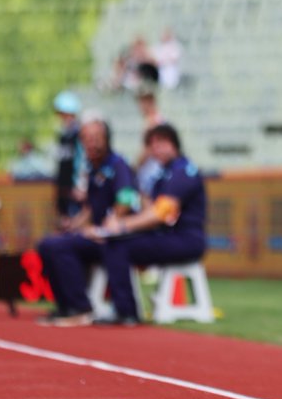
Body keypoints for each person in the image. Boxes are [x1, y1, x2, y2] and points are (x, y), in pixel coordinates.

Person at [88, 124, 206, 326]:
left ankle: (126, 311)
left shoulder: (182, 171)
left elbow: (161, 213)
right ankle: (122, 307)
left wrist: (123, 225)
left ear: (173, 144)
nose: (156, 149)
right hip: (167, 236)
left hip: (186, 240)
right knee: (115, 243)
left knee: (118, 246)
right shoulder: (163, 173)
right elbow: (148, 206)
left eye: (161, 143)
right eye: (151, 145)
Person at [36, 115, 139, 327]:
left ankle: (80, 307)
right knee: (49, 244)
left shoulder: (118, 165)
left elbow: (126, 199)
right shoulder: (93, 170)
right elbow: (91, 208)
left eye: (95, 138)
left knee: (60, 247)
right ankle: (65, 305)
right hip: (97, 235)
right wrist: (73, 225)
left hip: (116, 237)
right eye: (85, 138)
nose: (90, 143)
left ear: (107, 139)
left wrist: (105, 228)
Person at [52, 90, 85, 227]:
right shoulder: (63, 135)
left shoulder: (79, 134)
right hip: (64, 187)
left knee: (76, 223)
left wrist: (81, 185)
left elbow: (83, 161)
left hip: (75, 187)